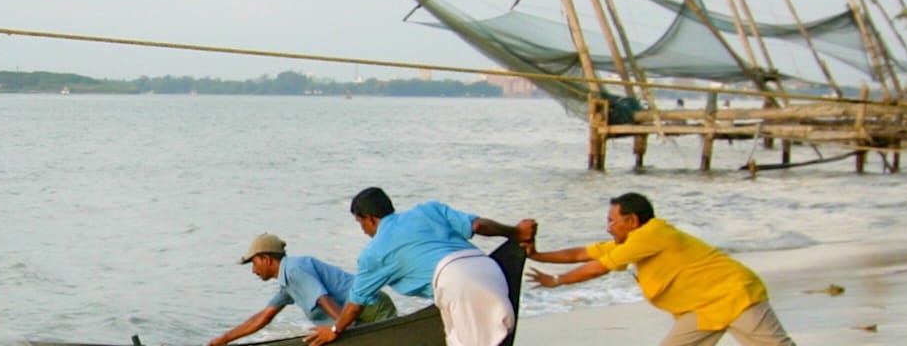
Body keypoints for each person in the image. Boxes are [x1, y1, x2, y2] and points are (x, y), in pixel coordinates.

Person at [525, 193, 795, 346]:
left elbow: (598, 267)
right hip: (702, 308)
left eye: (612, 221)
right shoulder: (634, 240)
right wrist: (537, 254)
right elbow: (581, 253)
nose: (608, 227)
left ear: (632, 220)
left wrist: (557, 281)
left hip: (735, 296)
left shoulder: (650, 235)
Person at [305, 187, 536, 346]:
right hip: (489, 269)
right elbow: (478, 226)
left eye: (360, 223)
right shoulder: (428, 210)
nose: (363, 230)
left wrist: (334, 331)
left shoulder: (374, 253)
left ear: (370, 219)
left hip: (456, 281)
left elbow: (355, 305)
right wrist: (516, 233)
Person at [208, 233, 398, 346]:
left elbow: (323, 299)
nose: (253, 270)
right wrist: (224, 339)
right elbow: (263, 317)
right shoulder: (287, 283)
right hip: (358, 311)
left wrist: (339, 328)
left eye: (254, 263)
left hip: (369, 307)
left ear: (266, 259)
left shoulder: (294, 270)